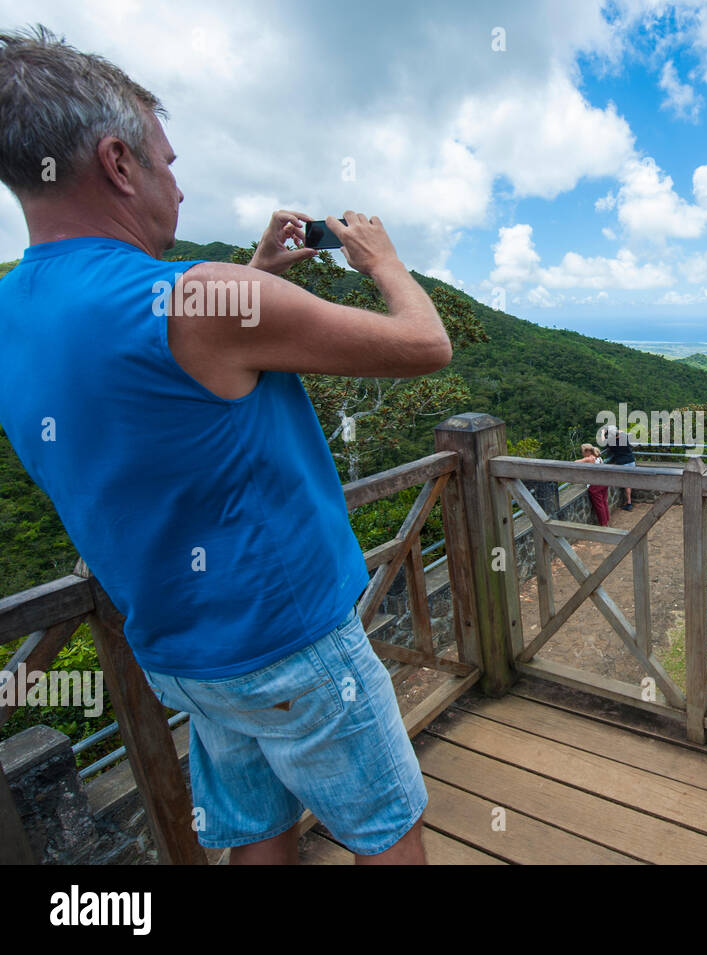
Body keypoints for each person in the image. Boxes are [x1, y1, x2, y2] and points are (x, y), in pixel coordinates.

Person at [0, 28, 452, 864]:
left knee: (254, 828)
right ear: (117, 162)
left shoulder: (13, 312)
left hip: (180, 651)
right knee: (387, 827)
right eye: (167, 161)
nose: (178, 183)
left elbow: (169, 390)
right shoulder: (200, 298)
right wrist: (382, 260)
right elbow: (426, 344)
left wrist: (256, 277)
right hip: (293, 642)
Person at [599, 423, 636, 511]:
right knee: (629, 482)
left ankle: (629, 503)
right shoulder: (624, 437)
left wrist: (602, 433)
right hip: (631, 461)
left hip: (622, 463)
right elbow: (622, 432)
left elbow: (602, 441)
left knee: (627, 484)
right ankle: (629, 501)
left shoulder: (611, 442)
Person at [575, 443, 610, 526]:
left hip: (595, 485)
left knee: (599, 505)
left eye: (582, 452)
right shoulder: (599, 457)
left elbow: (574, 462)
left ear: (586, 451)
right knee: (604, 502)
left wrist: (583, 459)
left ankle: (604, 524)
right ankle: (607, 520)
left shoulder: (588, 459)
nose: (582, 453)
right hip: (604, 482)